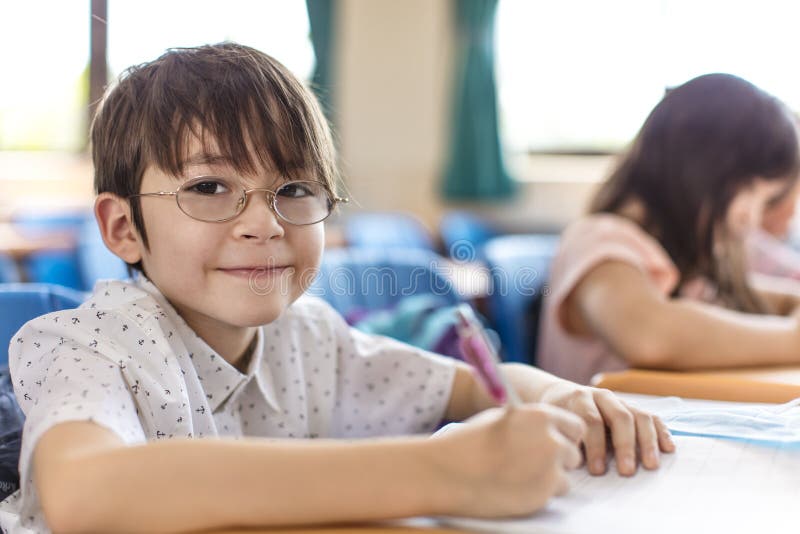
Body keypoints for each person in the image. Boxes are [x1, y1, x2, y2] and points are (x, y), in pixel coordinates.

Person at [1, 43, 673, 533]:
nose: (264, 223)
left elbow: (471, 384)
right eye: (210, 188)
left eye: (294, 189)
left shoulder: (309, 337)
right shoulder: (92, 343)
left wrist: (565, 397)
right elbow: (84, 494)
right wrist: (444, 473)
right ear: (123, 228)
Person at [538, 73, 800, 385]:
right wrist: (792, 340)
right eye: (761, 197)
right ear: (707, 173)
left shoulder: (680, 263)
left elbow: (770, 298)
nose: (754, 219)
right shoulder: (599, 245)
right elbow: (648, 336)